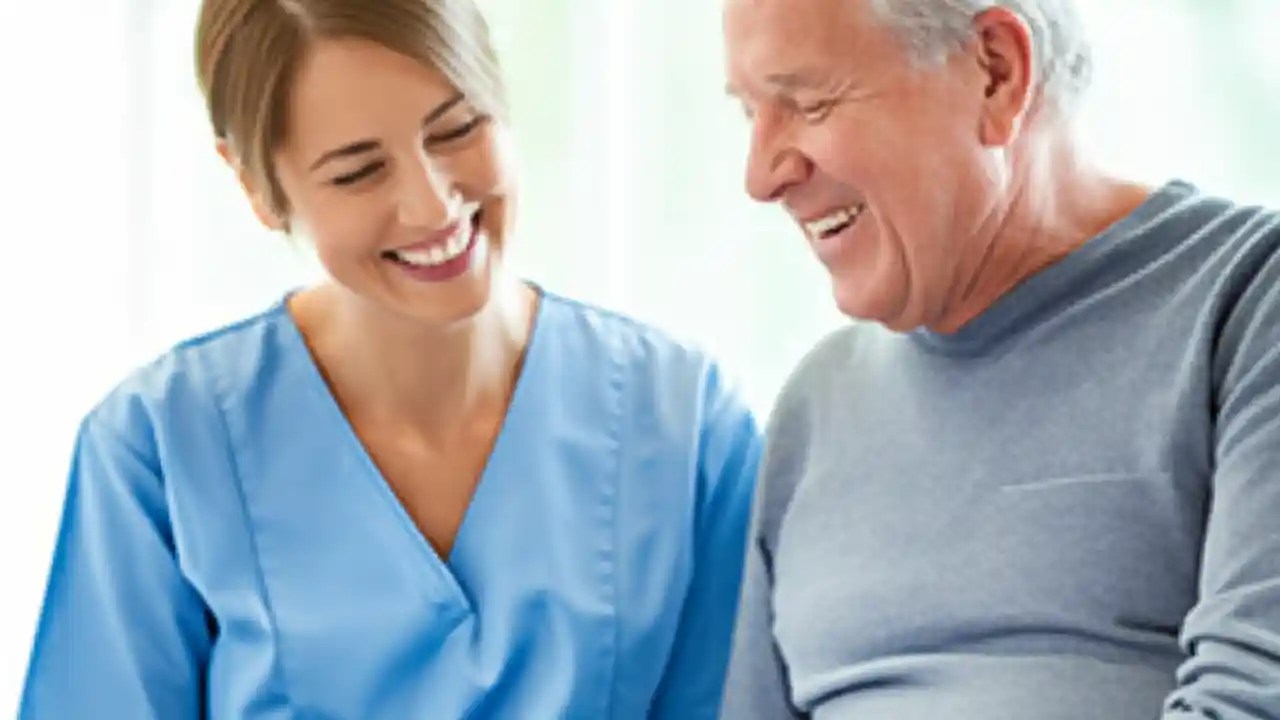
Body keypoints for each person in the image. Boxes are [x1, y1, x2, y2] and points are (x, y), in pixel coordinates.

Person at [19, 1, 761, 717]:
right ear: (255, 186)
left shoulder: (684, 423)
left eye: (457, 129)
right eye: (358, 172)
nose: (433, 206)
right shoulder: (158, 449)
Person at [720, 0, 1280, 718]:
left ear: (995, 73)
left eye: (808, 103)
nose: (761, 176)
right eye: (749, 113)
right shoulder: (816, 406)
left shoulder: (1244, 305)